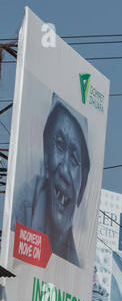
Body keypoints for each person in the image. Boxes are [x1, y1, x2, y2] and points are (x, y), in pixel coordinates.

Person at [12, 98, 92, 267]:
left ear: (83, 183)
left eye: (75, 159)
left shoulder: (81, 265)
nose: (63, 171)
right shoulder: (23, 206)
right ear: (47, 154)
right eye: (60, 146)